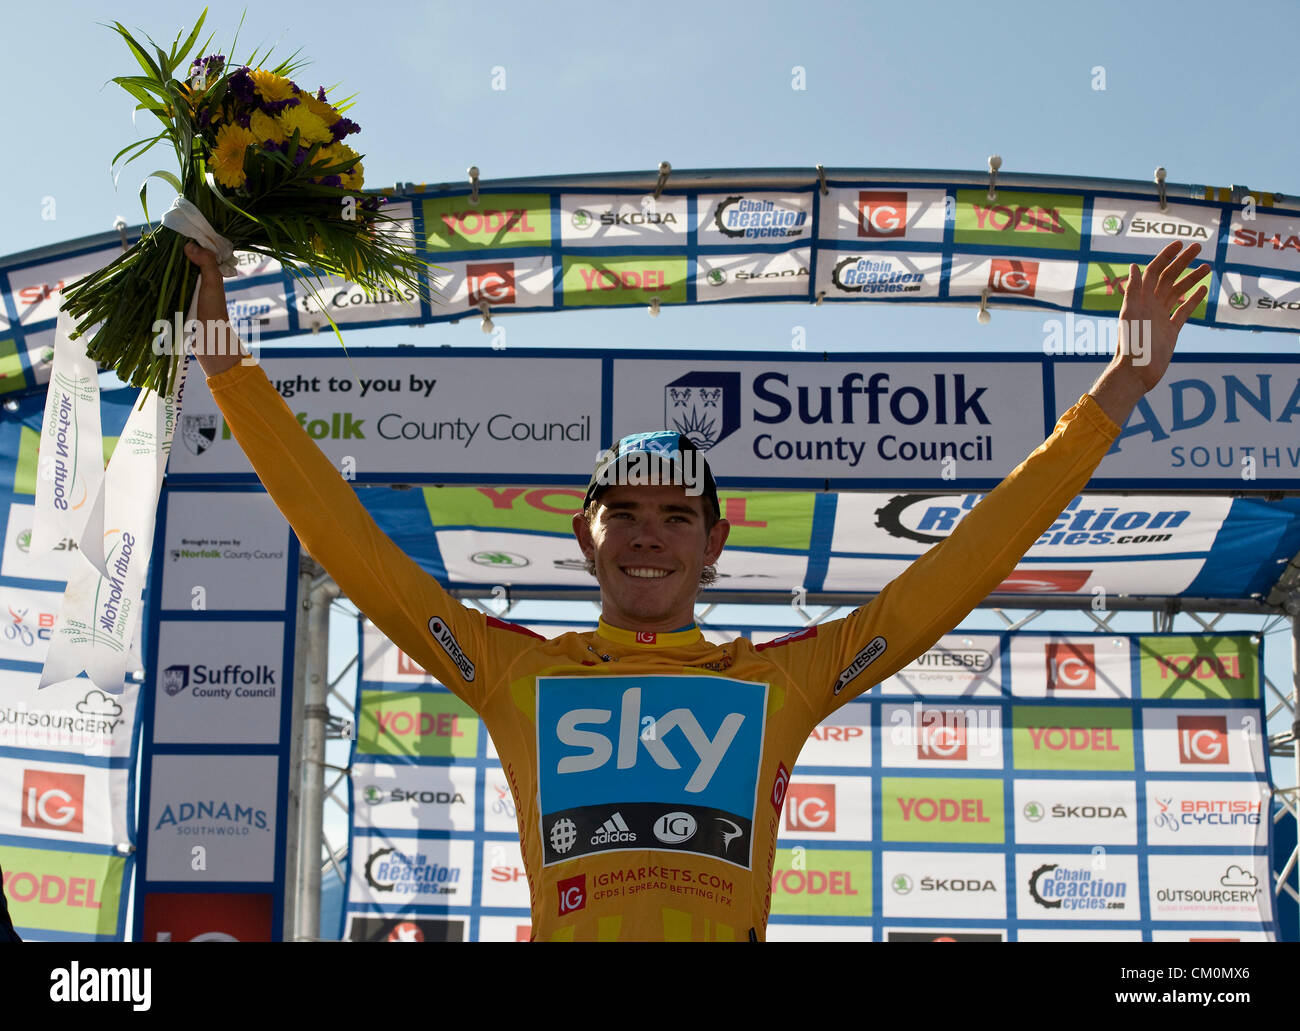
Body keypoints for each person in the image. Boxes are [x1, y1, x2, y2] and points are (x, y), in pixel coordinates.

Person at [184, 238, 1209, 942]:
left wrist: (1114, 387)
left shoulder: (782, 680)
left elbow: (960, 565)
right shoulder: (514, 669)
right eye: (623, 512)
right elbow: (348, 541)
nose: (646, 535)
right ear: (582, 537)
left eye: (676, 516)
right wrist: (225, 363)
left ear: (715, 541)